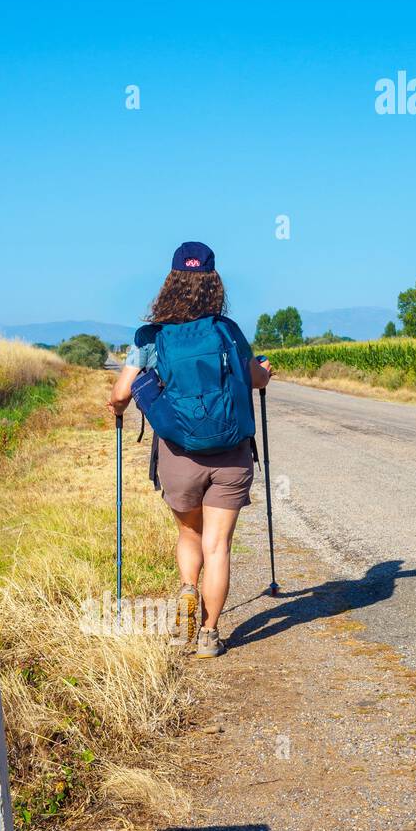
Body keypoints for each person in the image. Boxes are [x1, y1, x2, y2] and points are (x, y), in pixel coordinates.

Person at [109, 241, 272, 658]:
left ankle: (186, 589)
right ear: (214, 282)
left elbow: (121, 393)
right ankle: (209, 634)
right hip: (231, 454)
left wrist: (117, 408)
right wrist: (265, 373)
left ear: (170, 282)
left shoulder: (150, 337)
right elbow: (255, 379)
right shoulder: (227, 330)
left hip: (179, 455)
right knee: (218, 545)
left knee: (189, 532)